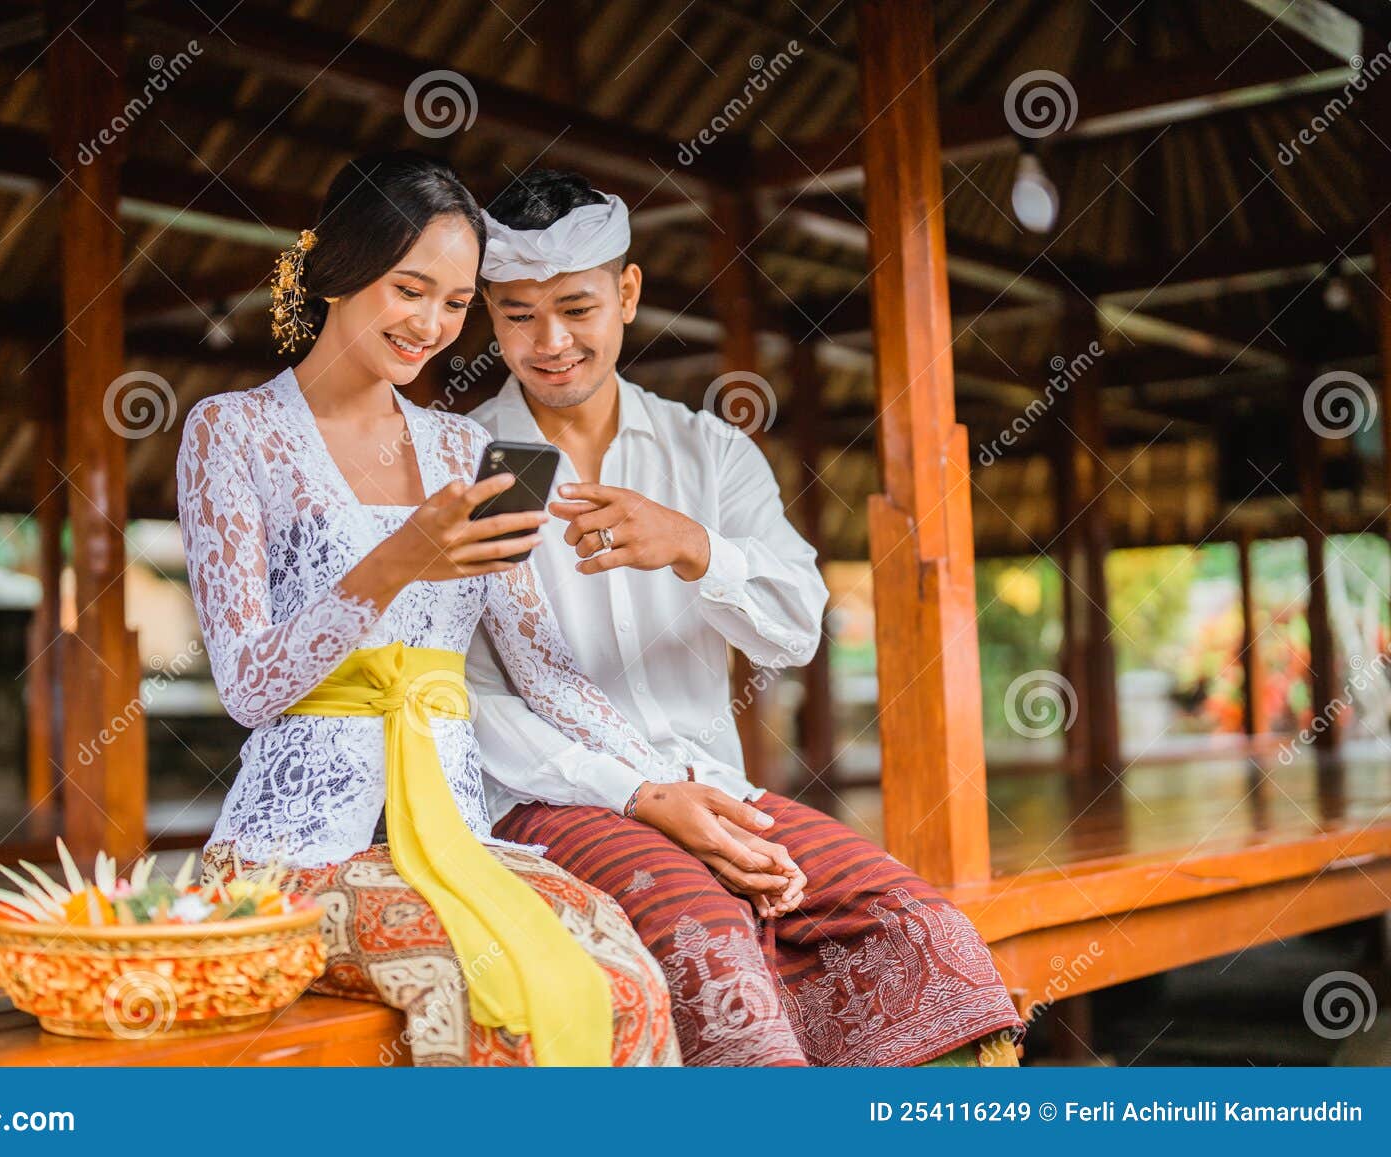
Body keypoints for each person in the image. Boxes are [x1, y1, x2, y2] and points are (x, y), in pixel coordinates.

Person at [464, 169, 1025, 1067]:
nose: (552, 341)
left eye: (577, 306)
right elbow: (463, 703)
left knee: (925, 933)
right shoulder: (471, 468)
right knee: (710, 939)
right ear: (486, 312)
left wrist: (696, 548)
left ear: (628, 293)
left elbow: (797, 628)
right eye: (518, 314)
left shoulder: (708, 451)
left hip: (713, 780)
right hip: (552, 798)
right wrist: (642, 800)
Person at [175, 152, 679, 1067]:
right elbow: (248, 685)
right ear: (337, 269)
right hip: (293, 850)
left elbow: (544, 672)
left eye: (455, 304)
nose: (433, 327)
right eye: (412, 290)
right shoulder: (231, 431)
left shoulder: (466, 448)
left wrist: (671, 786)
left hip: (452, 836)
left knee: (627, 976)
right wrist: (398, 559)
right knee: (495, 994)